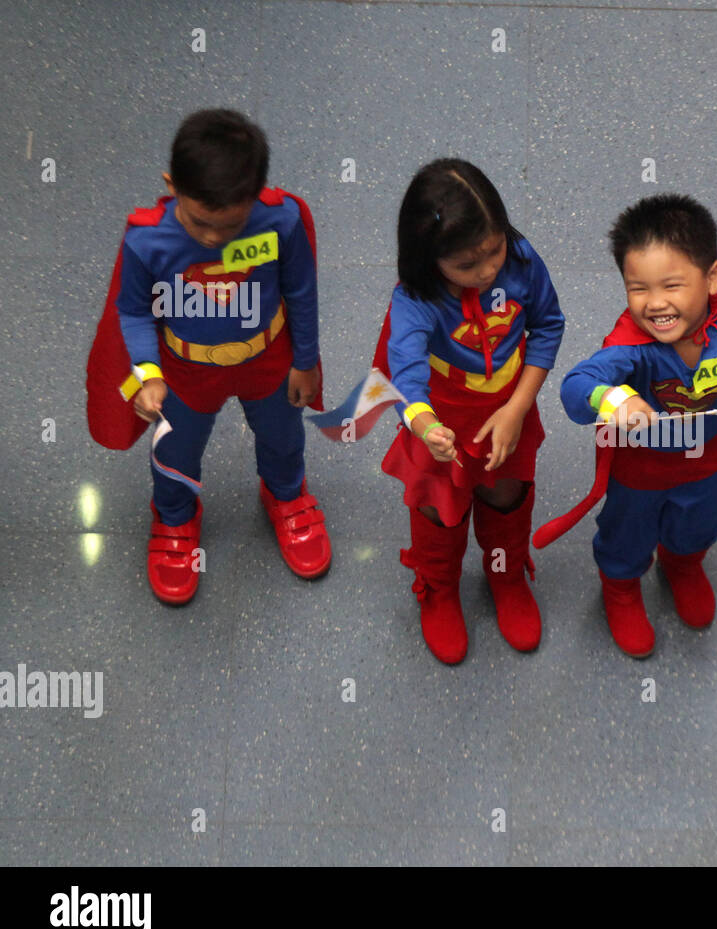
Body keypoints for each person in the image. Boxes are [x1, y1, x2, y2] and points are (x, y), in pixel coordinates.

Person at [88, 108, 330, 606]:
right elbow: (132, 311)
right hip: (182, 370)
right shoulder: (146, 238)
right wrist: (148, 372)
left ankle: (285, 494)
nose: (215, 238)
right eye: (200, 222)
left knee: (285, 438)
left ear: (258, 191)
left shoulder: (280, 221)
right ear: (170, 183)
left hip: (269, 359)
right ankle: (174, 516)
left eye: (232, 224)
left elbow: (301, 293)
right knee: (174, 453)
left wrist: (305, 360)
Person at [551, 193, 717, 658]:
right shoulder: (628, 344)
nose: (655, 304)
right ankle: (622, 585)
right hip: (638, 473)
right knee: (625, 534)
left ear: (713, 277)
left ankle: (682, 564)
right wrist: (612, 397)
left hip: (707, 466)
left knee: (701, 523)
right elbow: (575, 388)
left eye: (671, 285)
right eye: (637, 288)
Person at [375, 159, 566, 665]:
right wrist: (425, 425)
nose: (485, 271)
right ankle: (438, 588)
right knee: (439, 507)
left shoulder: (521, 261)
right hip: (443, 423)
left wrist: (519, 407)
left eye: (493, 251)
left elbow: (548, 326)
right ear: (426, 256)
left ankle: (504, 574)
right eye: (466, 265)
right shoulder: (415, 301)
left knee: (507, 492)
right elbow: (406, 375)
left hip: (508, 414)